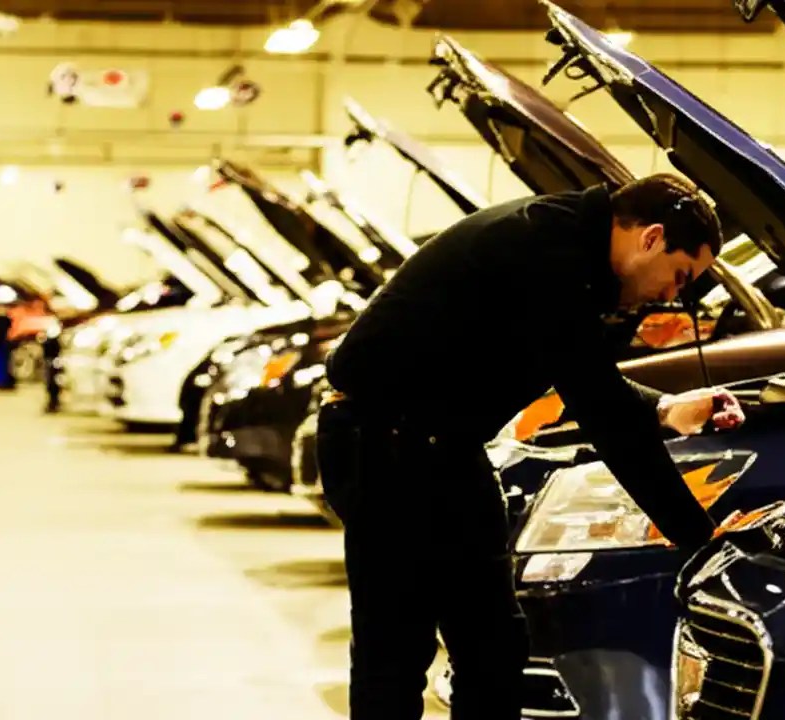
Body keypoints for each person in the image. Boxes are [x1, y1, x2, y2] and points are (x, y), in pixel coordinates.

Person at [317, 173, 743, 719]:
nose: (673, 296)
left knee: (493, 647)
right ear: (651, 237)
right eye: (680, 276)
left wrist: (663, 408)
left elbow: (573, 371)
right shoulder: (544, 248)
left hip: (441, 447)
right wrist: (700, 541)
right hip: (383, 444)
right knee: (396, 649)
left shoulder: (571, 251)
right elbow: (601, 410)